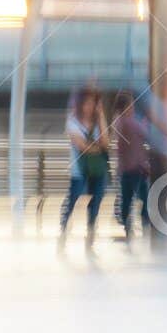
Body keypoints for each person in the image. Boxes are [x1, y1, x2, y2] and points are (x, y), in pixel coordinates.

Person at [59, 87, 110, 254]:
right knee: (72, 199)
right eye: (87, 103)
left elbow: (106, 142)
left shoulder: (97, 121)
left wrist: (101, 115)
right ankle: (63, 229)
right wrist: (98, 147)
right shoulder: (72, 122)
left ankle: (90, 234)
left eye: (93, 103)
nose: (90, 106)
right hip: (79, 170)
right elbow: (82, 146)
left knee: (96, 200)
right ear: (80, 104)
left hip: (98, 169)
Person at [111, 90, 150, 243]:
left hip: (126, 168)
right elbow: (144, 134)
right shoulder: (128, 122)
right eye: (131, 105)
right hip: (137, 168)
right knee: (144, 198)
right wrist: (146, 121)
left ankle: (128, 228)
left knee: (127, 199)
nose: (133, 108)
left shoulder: (118, 122)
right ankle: (144, 226)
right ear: (125, 107)